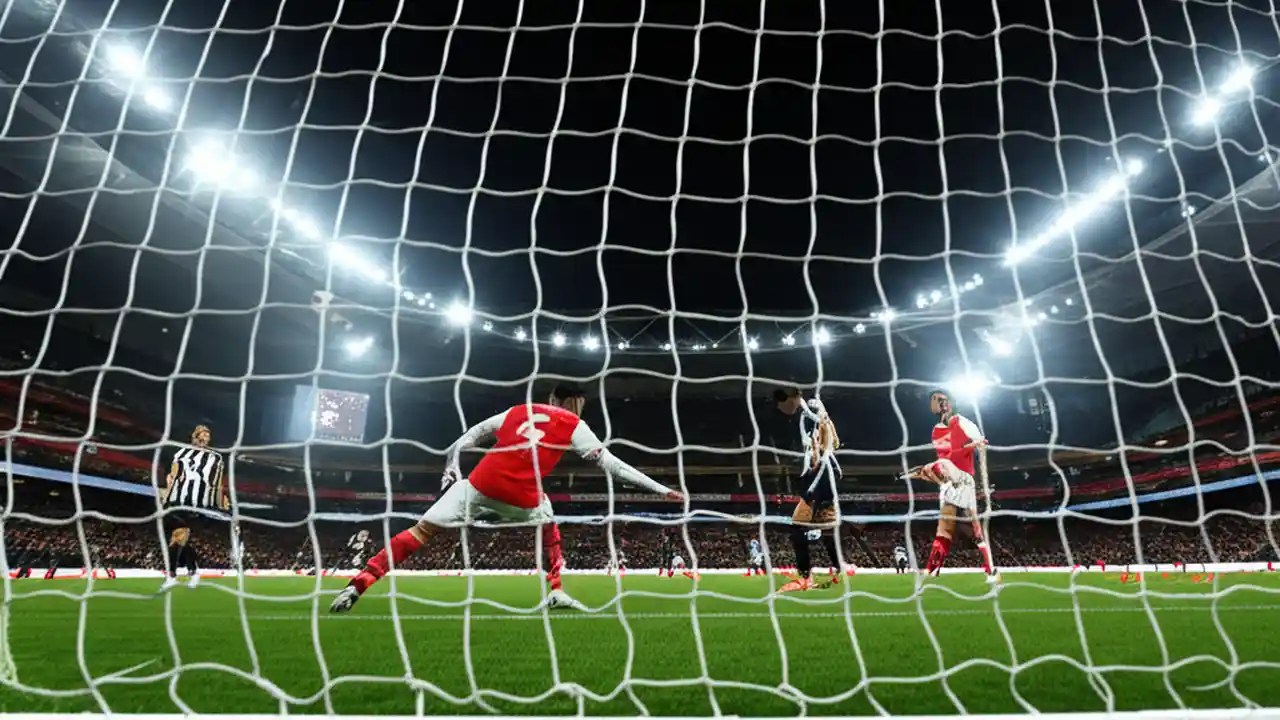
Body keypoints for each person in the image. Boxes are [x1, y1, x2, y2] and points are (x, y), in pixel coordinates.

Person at [330, 383, 683, 614]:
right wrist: (660, 489)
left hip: (479, 484)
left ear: (549, 399)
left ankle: (357, 585)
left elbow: (474, 434)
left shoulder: (517, 410)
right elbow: (614, 466)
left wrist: (452, 462)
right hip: (522, 498)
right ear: (573, 403)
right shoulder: (574, 424)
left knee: (420, 532)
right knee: (548, 519)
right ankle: (556, 589)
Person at [902, 390, 999, 583]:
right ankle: (932, 570)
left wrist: (982, 474)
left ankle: (991, 569)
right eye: (934, 399)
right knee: (945, 528)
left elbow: (980, 443)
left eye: (939, 399)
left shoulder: (961, 421)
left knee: (973, 527)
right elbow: (944, 456)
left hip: (963, 478)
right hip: (947, 482)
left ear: (949, 403)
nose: (935, 402)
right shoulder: (936, 429)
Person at [779, 395, 849, 592]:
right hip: (815, 492)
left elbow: (833, 443)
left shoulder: (825, 436)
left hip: (824, 491)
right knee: (808, 531)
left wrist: (823, 414)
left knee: (817, 532)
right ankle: (813, 574)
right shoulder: (811, 437)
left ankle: (823, 571)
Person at [159, 424, 226, 591]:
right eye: (202, 435)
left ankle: (173, 577)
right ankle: (193, 572)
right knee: (178, 539)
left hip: (196, 502)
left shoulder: (215, 458)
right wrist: (165, 499)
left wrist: (220, 503)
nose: (205, 438)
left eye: (207, 436)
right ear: (194, 436)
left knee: (179, 536)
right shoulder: (181, 453)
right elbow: (173, 476)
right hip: (175, 500)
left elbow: (217, 483)